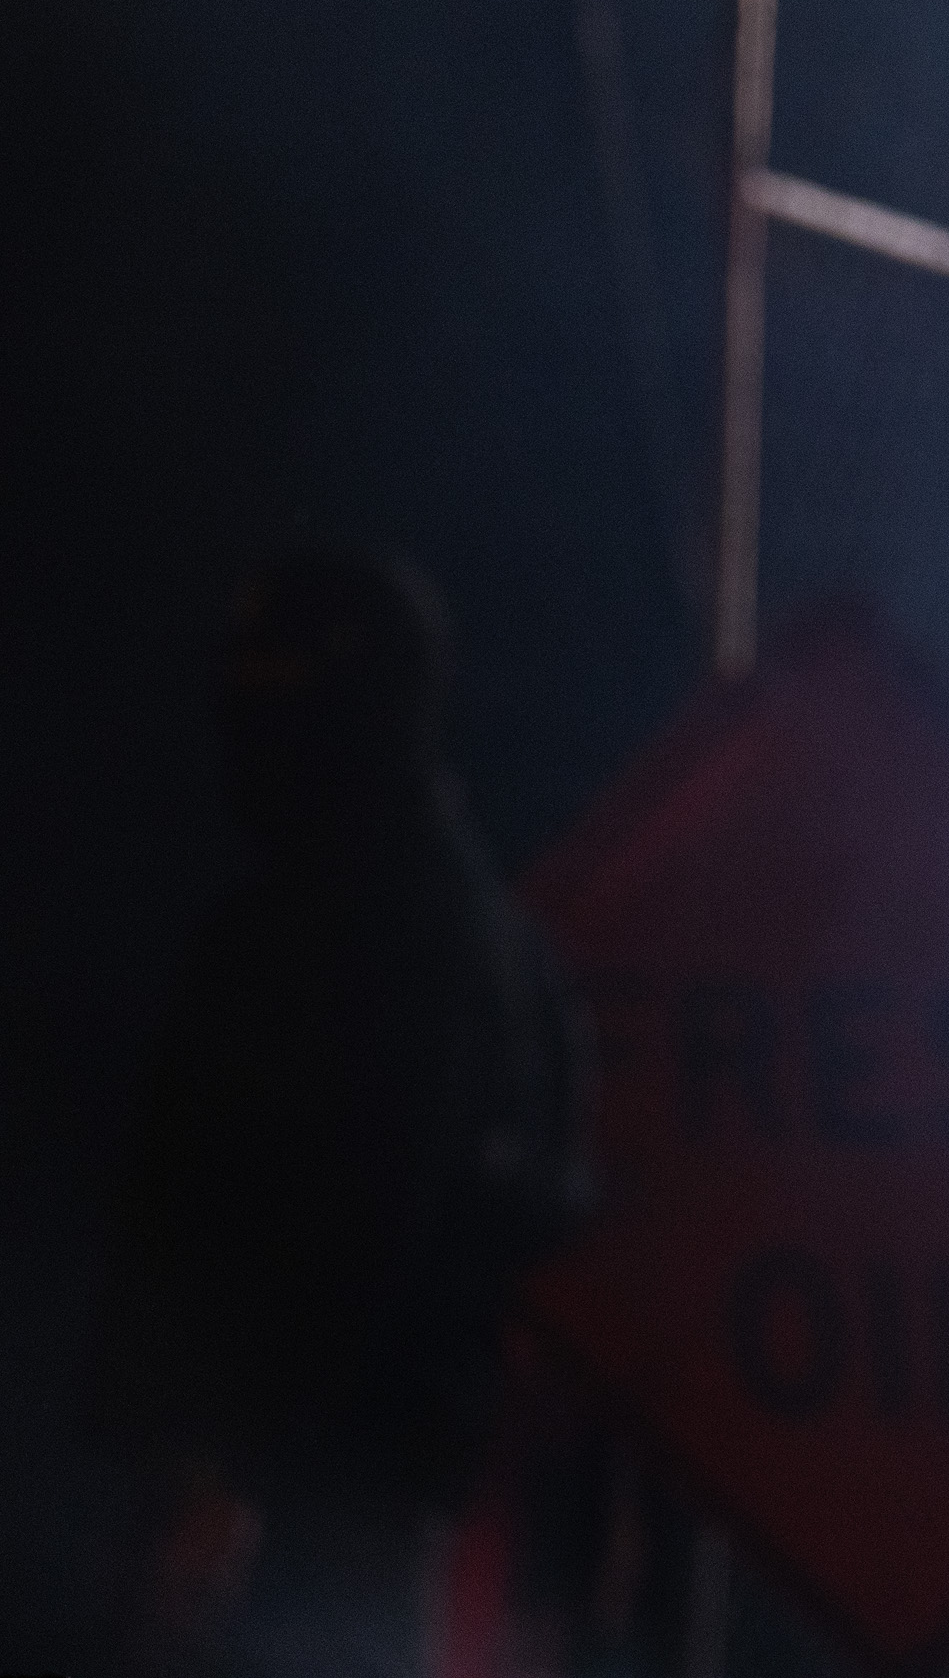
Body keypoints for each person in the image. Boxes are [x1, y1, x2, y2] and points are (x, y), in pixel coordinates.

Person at [90, 549, 589, 1678]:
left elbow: (354, 1228)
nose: (254, 743)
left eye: (284, 702)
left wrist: (220, 1471)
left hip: (308, 1518)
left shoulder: (393, 935)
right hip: (326, 1508)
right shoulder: (457, 938)